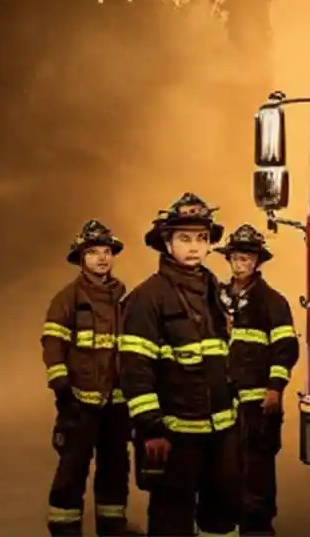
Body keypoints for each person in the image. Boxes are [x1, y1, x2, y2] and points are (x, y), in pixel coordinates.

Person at [119, 193, 239, 537]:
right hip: (174, 434)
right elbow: (135, 369)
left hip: (222, 430)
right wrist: (151, 430)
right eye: (184, 238)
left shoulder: (216, 290)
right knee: (172, 517)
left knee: (223, 514)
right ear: (166, 243)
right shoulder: (147, 298)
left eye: (202, 238)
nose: (194, 246)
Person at [42, 220, 134, 536]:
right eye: (93, 252)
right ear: (81, 258)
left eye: (107, 251)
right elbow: (53, 346)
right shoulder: (67, 299)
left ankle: (112, 527)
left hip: (117, 404)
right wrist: (63, 392)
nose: (102, 258)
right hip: (79, 403)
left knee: (115, 470)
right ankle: (65, 529)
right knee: (72, 471)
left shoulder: (124, 298)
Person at [216, 224, 298, 536]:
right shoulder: (218, 299)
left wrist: (275, 389)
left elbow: (286, 348)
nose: (242, 263)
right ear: (229, 259)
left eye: (248, 258)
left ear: (257, 261)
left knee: (257, 473)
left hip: (258, 403)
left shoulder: (272, 302)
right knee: (223, 470)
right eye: (237, 257)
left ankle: (257, 529)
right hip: (223, 400)